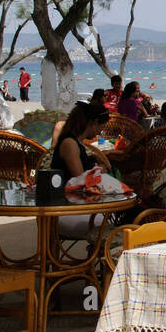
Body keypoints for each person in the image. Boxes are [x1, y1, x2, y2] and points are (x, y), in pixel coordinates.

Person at [51, 102, 115, 239]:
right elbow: (81, 180)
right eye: (101, 127)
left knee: (122, 216)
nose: (99, 132)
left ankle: (97, 255)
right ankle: (105, 255)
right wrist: (100, 170)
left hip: (77, 205)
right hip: (69, 209)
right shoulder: (70, 144)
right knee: (119, 222)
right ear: (93, 123)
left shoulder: (76, 143)